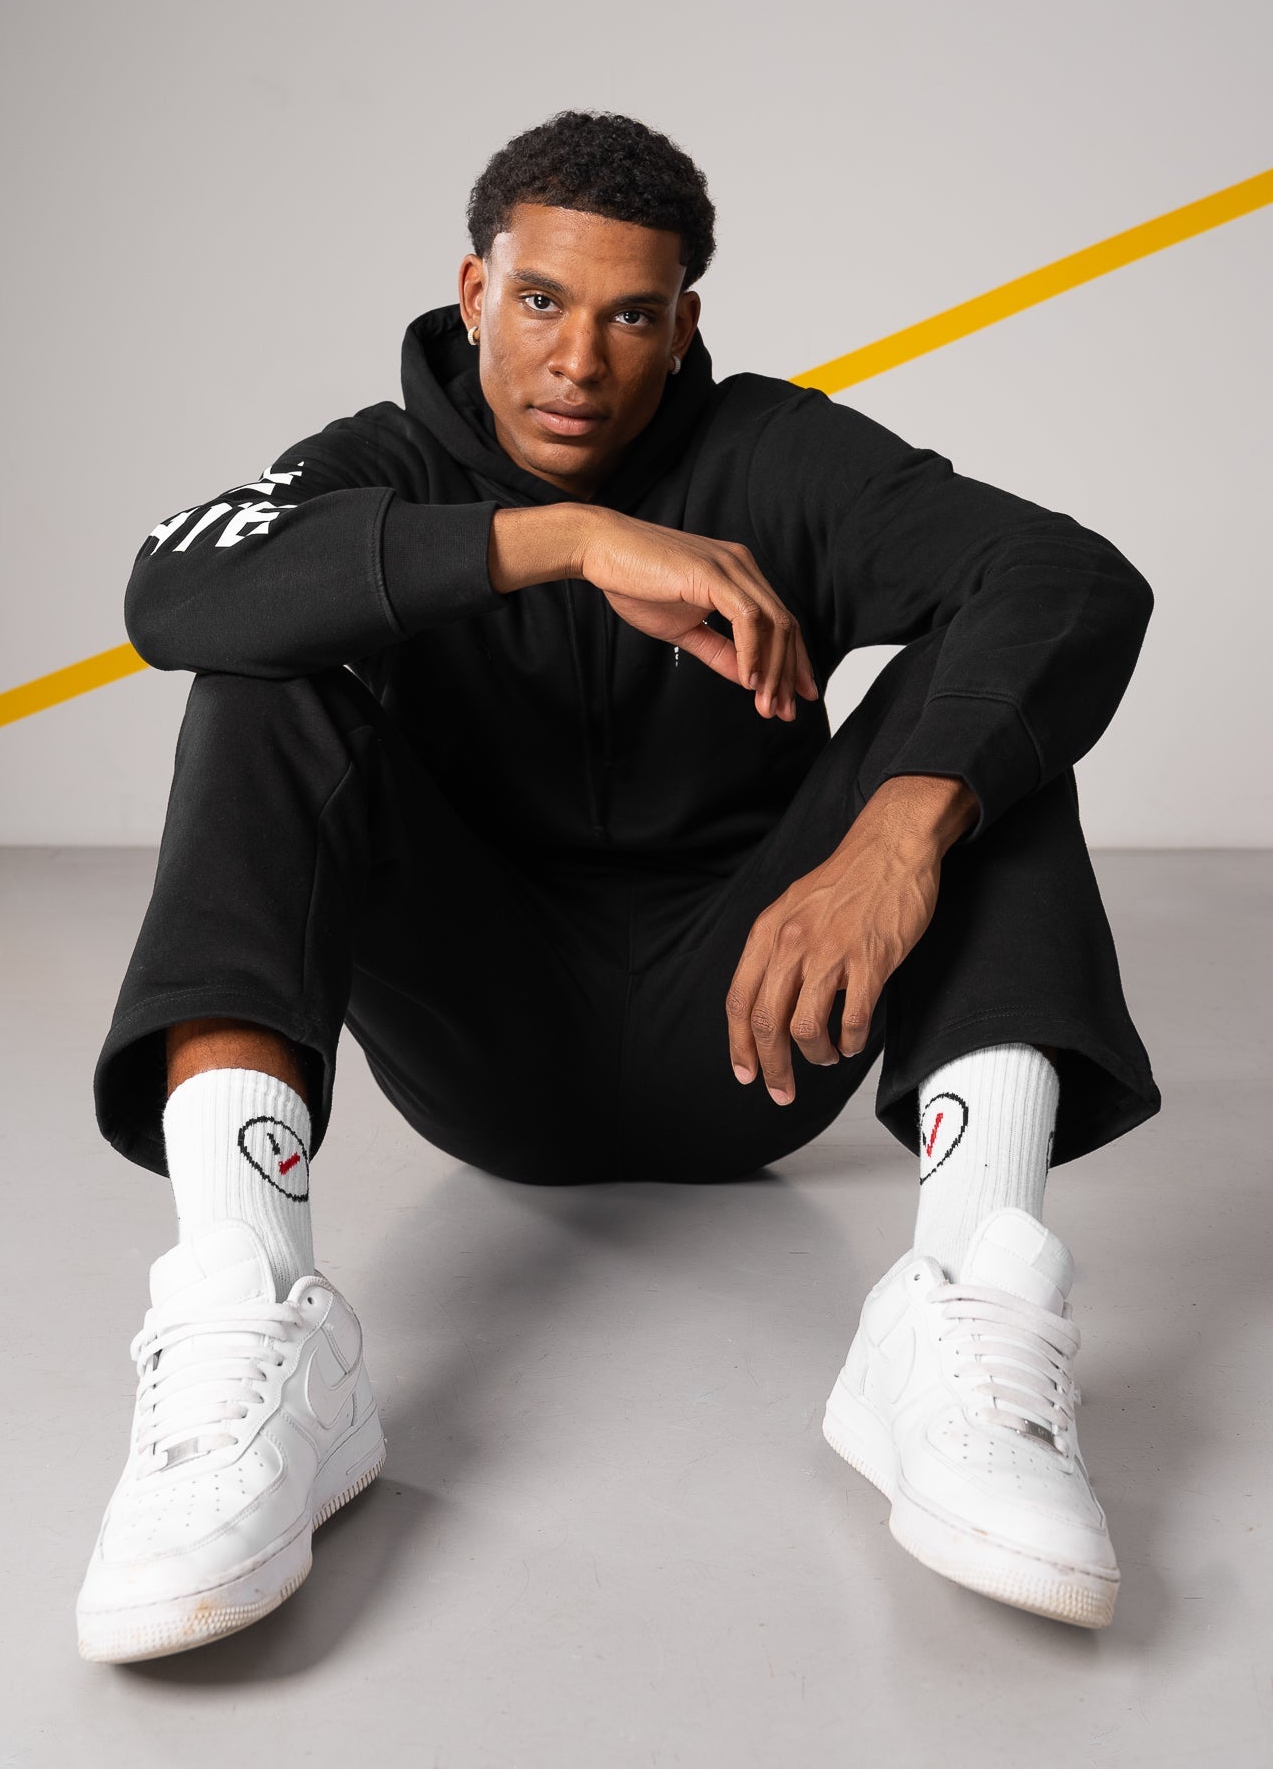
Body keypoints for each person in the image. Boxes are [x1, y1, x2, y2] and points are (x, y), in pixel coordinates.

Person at [76, 110, 1158, 1663]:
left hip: (755, 1028)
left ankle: (968, 1315)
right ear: (475, 292)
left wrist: (895, 840)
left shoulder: (775, 455)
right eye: (541, 302)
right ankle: (243, 1329)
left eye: (631, 317)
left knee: (990, 728)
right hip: (488, 1035)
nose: (579, 360)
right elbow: (173, 589)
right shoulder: (381, 464)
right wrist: (573, 542)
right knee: (260, 671)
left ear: (683, 324)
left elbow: (1069, 576)